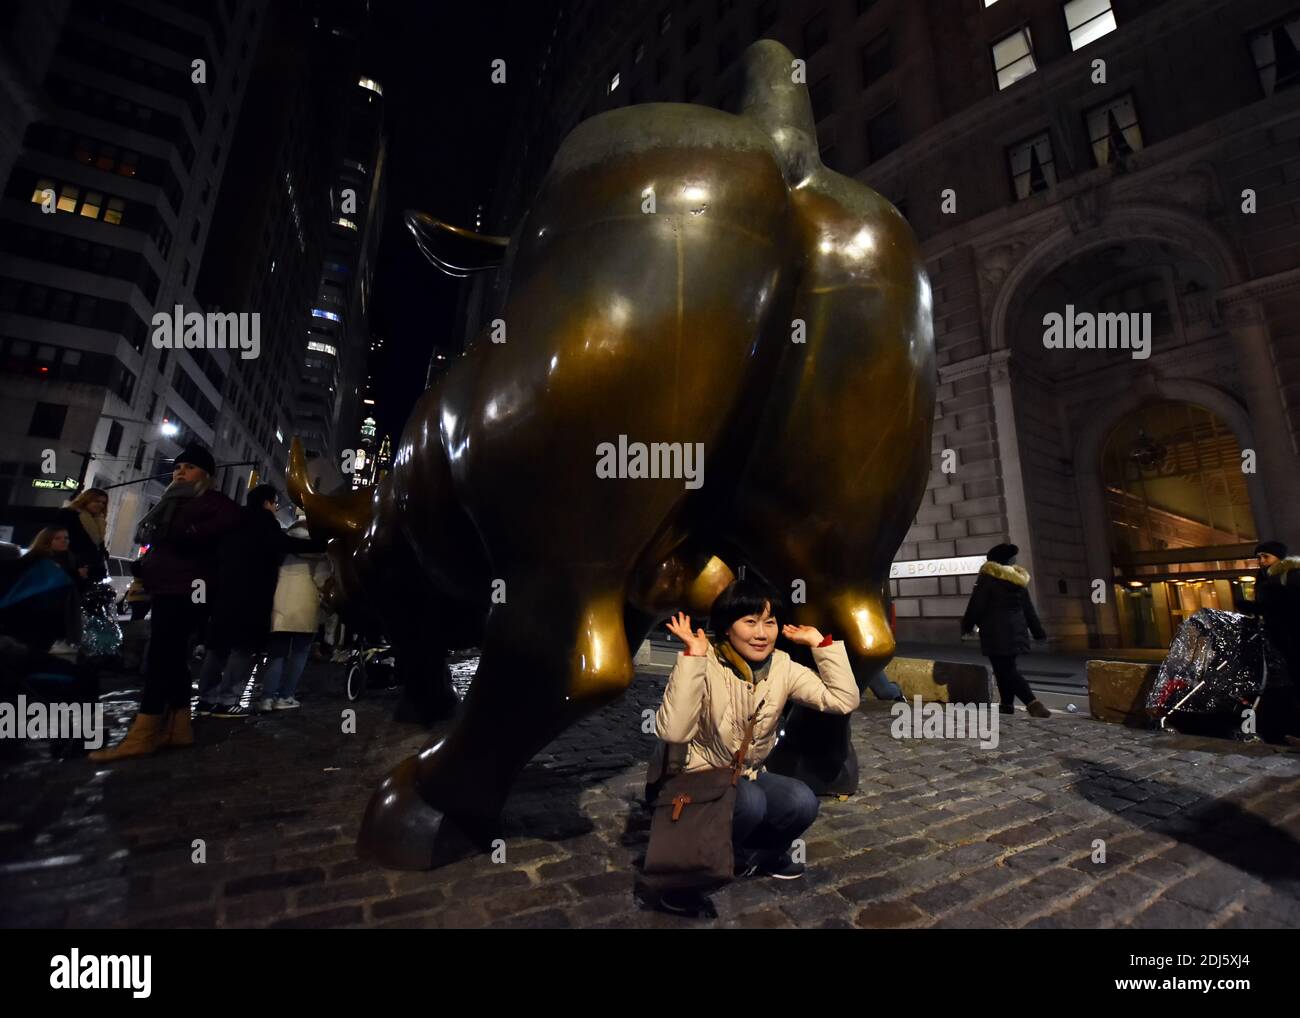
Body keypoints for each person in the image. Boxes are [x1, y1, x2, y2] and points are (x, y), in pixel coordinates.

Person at [656, 575, 858, 903]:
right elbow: (673, 732)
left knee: (802, 800)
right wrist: (692, 659)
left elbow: (842, 700)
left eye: (770, 622)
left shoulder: (782, 665)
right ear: (726, 627)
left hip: (747, 776)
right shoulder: (704, 663)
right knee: (750, 802)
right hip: (696, 780)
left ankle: (751, 854)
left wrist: (821, 644)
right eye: (750, 621)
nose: (762, 633)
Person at [91, 445, 240, 761]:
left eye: (190, 467)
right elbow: (160, 542)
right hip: (167, 586)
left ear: (206, 475)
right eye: (178, 467)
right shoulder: (174, 502)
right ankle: (179, 727)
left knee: (161, 657)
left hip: (188, 589)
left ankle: (144, 732)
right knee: (171, 659)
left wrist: (178, 531)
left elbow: (195, 539)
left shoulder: (215, 504)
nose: (180, 472)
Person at [196, 485, 327, 718]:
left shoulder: (233, 522)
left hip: (225, 592)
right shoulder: (266, 524)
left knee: (217, 648)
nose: (276, 508)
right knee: (243, 648)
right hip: (252, 596)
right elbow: (288, 545)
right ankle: (228, 700)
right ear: (268, 503)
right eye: (275, 503)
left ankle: (206, 699)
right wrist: (325, 545)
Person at [960, 543, 1051, 718]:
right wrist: (1038, 632)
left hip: (995, 631)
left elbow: (976, 605)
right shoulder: (1017, 581)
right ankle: (1007, 704)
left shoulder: (987, 579)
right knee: (1005, 667)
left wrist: (967, 626)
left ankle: (1033, 702)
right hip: (1016, 630)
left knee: (1006, 669)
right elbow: (1028, 609)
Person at [258, 510, 328, 711]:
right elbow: (321, 578)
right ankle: (286, 696)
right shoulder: (319, 546)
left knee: (277, 653)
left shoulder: (285, 540)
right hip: (306, 603)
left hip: (281, 601)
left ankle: (267, 698)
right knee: (299, 653)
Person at [1233, 540, 1300, 741]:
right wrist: (1254, 608)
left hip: (1292, 636)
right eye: (1259, 557)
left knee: (1294, 675)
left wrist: (1258, 609)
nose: (1261, 561)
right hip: (1275, 635)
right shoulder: (1264, 577)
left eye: (1266, 556)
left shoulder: (1290, 575)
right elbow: (1269, 607)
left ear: (1278, 557)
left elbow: (1288, 607)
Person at [57, 488, 121, 657]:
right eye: (96, 501)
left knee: (87, 614)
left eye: (103, 503)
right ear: (86, 500)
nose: (100, 505)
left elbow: (97, 548)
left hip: (93, 574)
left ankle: (85, 650)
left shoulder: (99, 521)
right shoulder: (70, 515)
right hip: (73, 571)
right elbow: (60, 543)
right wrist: (74, 568)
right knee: (67, 611)